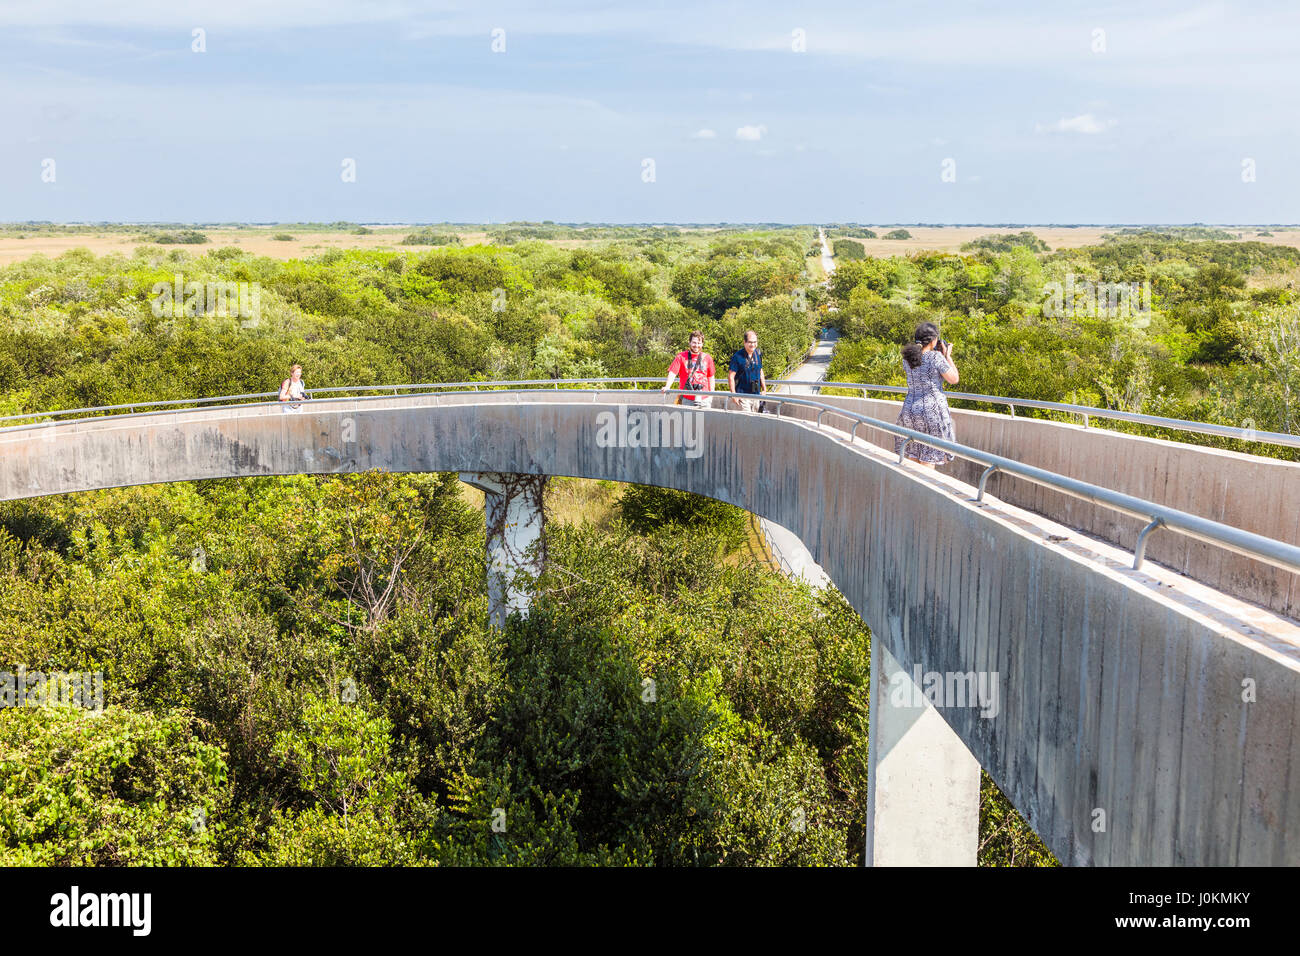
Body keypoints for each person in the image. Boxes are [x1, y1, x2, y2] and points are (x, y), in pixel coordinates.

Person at [894, 322, 959, 467]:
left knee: (914, 453)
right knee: (929, 456)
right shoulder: (935, 357)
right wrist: (948, 356)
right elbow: (954, 379)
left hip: (910, 411)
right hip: (931, 412)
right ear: (933, 340)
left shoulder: (908, 358)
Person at [662, 331, 714, 408]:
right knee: (688, 419)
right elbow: (672, 373)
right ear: (689, 342)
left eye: (699, 343)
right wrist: (667, 386)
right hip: (687, 398)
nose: (696, 345)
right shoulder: (681, 356)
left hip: (704, 399)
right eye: (694, 342)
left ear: (702, 344)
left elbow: (711, 377)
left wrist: (711, 395)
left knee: (704, 420)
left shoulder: (707, 358)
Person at [727, 329, 767, 412]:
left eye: (755, 342)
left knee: (755, 419)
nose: (753, 344)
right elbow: (731, 376)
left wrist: (764, 389)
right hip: (743, 395)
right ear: (744, 342)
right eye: (750, 342)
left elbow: (760, 371)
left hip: (756, 395)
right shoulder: (737, 356)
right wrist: (733, 394)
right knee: (746, 420)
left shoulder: (757, 354)